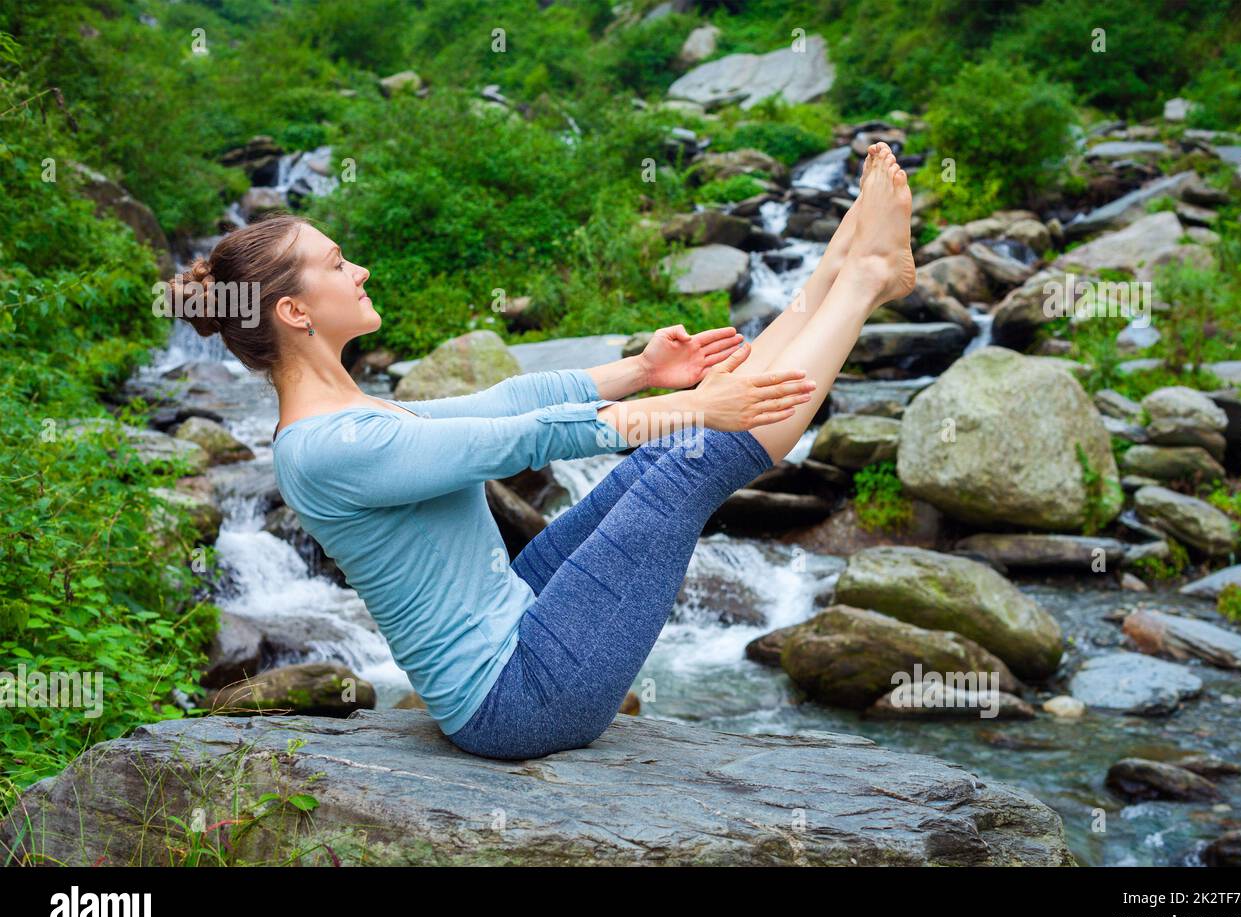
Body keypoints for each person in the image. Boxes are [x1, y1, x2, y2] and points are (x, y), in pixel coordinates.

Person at [168, 143, 913, 759]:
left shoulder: (350, 414)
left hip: (519, 622)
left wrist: (642, 374)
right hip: (518, 699)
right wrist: (686, 407)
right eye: (336, 264)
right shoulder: (327, 448)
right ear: (295, 311)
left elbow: (501, 402)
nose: (357, 269)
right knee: (689, 454)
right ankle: (865, 283)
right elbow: (515, 440)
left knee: (658, 459)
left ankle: (838, 268)